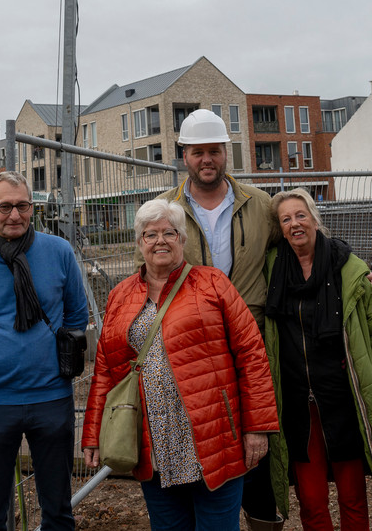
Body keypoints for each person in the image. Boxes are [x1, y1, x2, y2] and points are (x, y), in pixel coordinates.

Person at [83, 198, 278, 531]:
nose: (160, 240)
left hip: (214, 437)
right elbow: (106, 370)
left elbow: (252, 354)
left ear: (182, 240)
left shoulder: (213, 283)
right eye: (150, 234)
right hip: (154, 444)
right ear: (139, 243)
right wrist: (92, 434)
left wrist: (257, 428)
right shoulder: (120, 296)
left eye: (169, 233)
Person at [0, 171, 89, 531]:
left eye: (22, 206)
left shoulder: (58, 252)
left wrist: (53, 360)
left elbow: (76, 314)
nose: (15, 215)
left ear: (31, 207)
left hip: (52, 399)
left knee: (58, 508)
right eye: (5, 206)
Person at [162, 108, 283, 530]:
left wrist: (350, 267)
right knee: (207, 436)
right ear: (184, 155)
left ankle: (263, 518)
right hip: (196, 347)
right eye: (197, 152)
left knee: (259, 437)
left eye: (214, 150)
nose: (206, 159)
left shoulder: (260, 205)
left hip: (252, 339)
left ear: (225, 153)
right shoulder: (166, 212)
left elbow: (302, 240)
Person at [263, 189, 372, 531]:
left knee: (353, 497)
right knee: (310, 502)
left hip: (344, 400)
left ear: (314, 219)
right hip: (297, 405)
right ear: (279, 229)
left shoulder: (348, 268)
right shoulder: (271, 269)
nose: (295, 224)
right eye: (286, 219)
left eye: (300, 215)